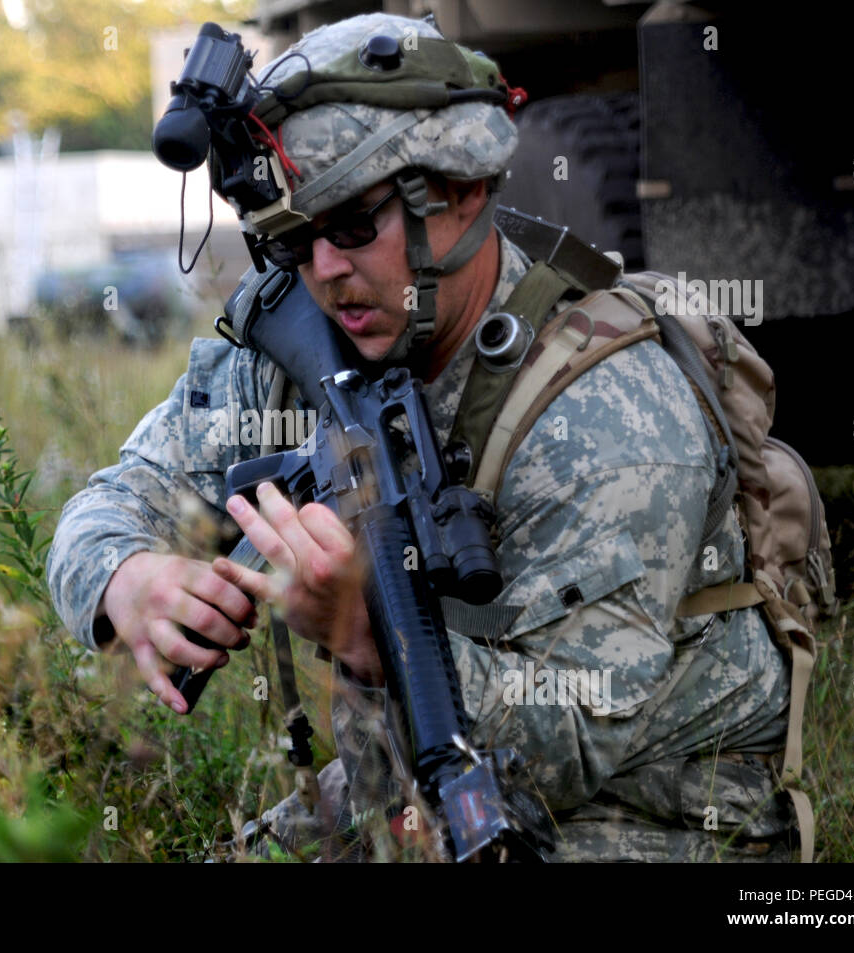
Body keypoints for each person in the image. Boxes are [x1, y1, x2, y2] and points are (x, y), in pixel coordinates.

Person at [46, 12, 800, 861]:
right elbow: (115, 498)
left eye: (354, 225)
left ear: (465, 190)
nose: (325, 269)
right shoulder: (307, 334)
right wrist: (128, 577)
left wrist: (363, 635)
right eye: (294, 237)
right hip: (406, 787)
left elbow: (566, 745)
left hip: (651, 814)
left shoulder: (605, 411)